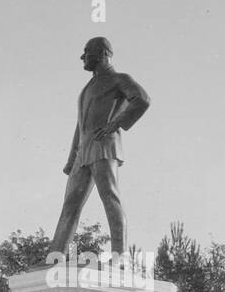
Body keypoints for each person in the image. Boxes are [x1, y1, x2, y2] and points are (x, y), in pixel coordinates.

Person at [48, 37, 151, 257]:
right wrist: (70, 158)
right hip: (83, 154)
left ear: (103, 53)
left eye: (87, 51)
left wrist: (115, 124)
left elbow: (142, 99)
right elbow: (80, 126)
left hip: (104, 146)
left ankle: (120, 256)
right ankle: (54, 256)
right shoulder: (88, 88)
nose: (82, 57)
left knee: (110, 198)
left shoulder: (118, 79)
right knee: (70, 204)